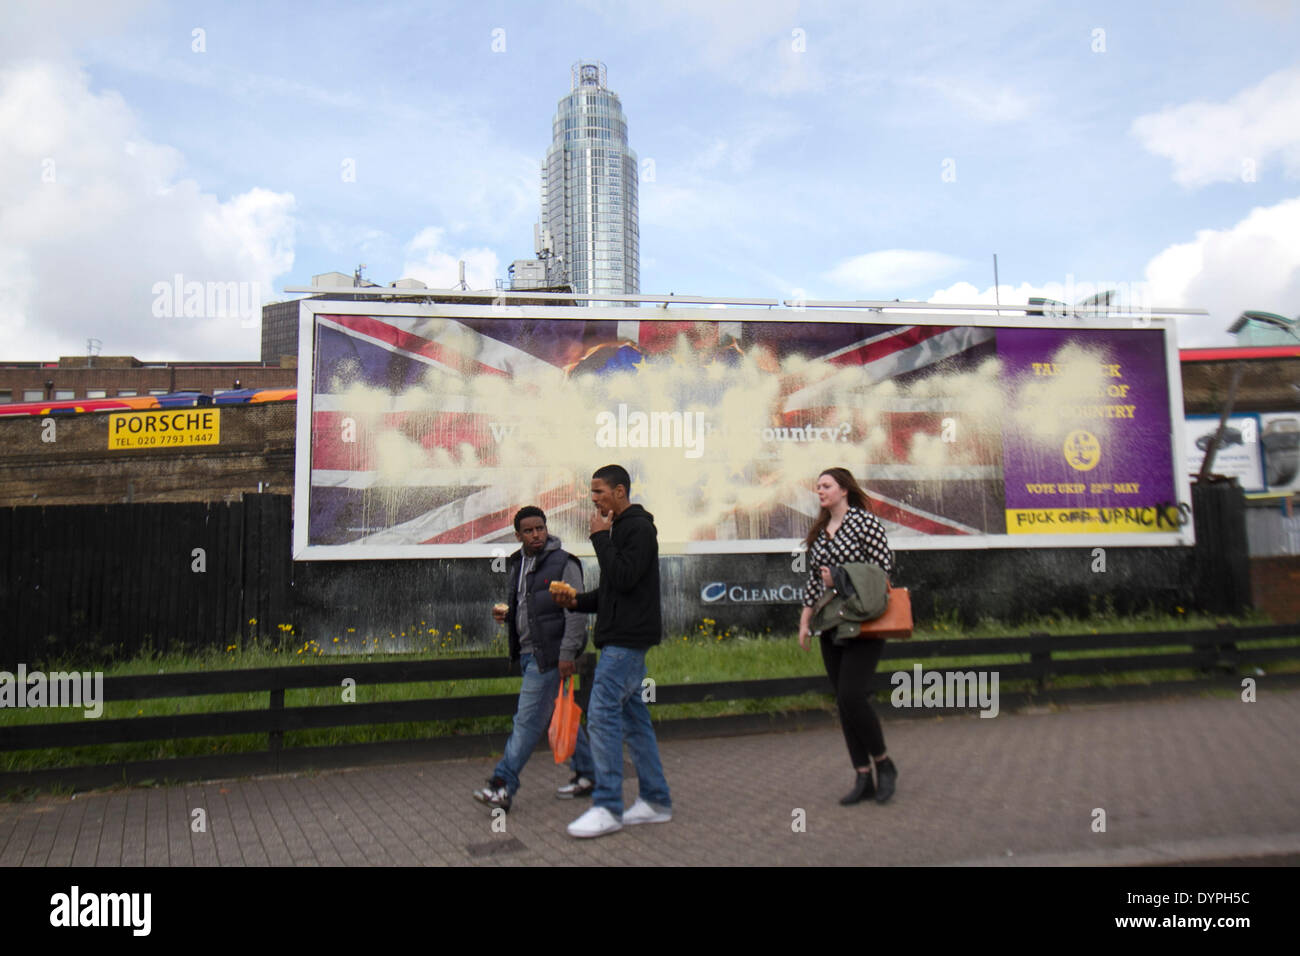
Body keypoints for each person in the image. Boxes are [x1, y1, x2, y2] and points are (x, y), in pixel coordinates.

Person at [551, 465, 673, 838]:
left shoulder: (637, 528)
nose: (594, 499)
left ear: (620, 491)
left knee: (602, 715)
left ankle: (607, 806)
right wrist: (574, 601)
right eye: (592, 492)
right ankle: (654, 800)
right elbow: (615, 592)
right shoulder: (622, 529)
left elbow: (622, 576)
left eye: (600, 491)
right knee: (634, 721)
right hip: (622, 637)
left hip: (626, 641)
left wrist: (600, 539)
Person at [472, 506, 595, 812]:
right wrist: (510, 616)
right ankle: (591, 773)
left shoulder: (564, 563)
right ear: (518, 535)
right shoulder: (518, 563)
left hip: (549, 658)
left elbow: (576, 613)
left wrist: (567, 654)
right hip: (529, 655)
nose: (536, 534)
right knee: (557, 713)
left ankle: (501, 785)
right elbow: (533, 607)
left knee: (526, 722)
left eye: (540, 528)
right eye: (529, 531)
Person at [797, 467, 899, 805]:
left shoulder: (864, 523)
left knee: (853, 696)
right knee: (843, 702)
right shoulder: (820, 532)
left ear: (843, 490)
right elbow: (814, 581)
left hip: (863, 621)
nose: (820, 491)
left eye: (826, 485)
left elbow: (883, 566)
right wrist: (805, 621)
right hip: (830, 624)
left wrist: (839, 577)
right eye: (817, 486)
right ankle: (862, 774)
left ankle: (884, 764)